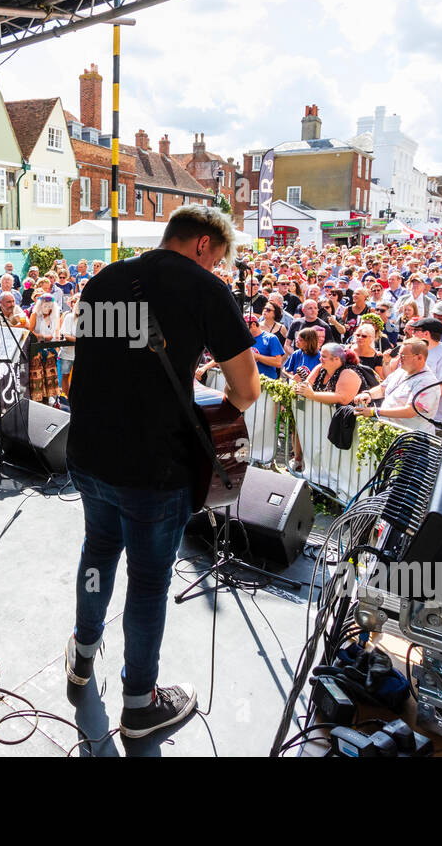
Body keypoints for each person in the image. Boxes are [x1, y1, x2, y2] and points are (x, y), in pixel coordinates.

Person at [66, 205, 259, 739]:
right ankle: (139, 703)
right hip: (155, 466)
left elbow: (96, 364)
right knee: (149, 583)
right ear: (202, 245)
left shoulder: (102, 280)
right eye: (217, 257)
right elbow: (247, 391)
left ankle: (82, 654)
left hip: (88, 451)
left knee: (97, 552)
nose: (216, 267)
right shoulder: (204, 288)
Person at [352, 338, 440, 433]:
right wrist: (368, 394)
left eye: (403, 356)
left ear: (419, 358)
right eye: (399, 355)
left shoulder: (427, 382)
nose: (399, 358)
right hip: (391, 433)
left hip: (411, 439)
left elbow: (410, 411)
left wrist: (375, 411)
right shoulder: (401, 371)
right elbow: (383, 388)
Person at [294, 342, 364, 406]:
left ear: (336, 359)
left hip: (350, 417)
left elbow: (342, 399)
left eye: (324, 356)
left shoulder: (349, 372)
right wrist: (300, 388)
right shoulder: (320, 367)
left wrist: (313, 395)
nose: (320, 359)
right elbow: (308, 383)